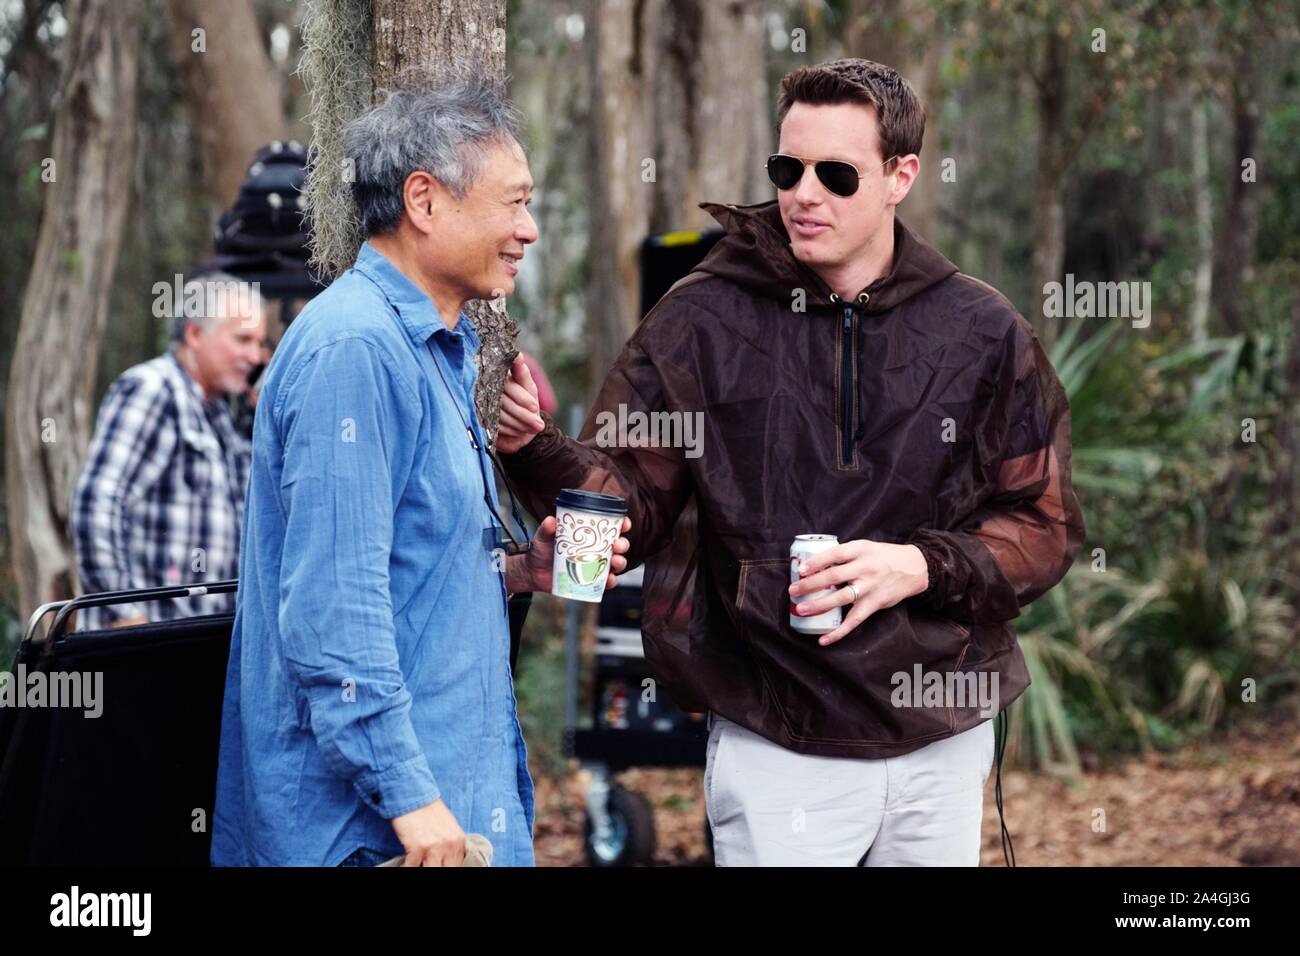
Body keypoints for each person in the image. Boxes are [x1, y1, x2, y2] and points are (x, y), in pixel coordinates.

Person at [497, 58, 1085, 866]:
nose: (805, 194)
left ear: (900, 177)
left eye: (837, 174)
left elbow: (1043, 525)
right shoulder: (705, 316)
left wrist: (917, 566)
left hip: (940, 736)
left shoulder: (979, 329)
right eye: (789, 169)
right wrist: (533, 448)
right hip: (776, 739)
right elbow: (629, 497)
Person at [210, 73, 630, 867]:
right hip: (372, 839)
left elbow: (404, 562)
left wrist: (516, 573)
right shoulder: (356, 353)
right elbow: (333, 616)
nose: (530, 229)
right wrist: (412, 800)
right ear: (425, 201)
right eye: (514, 203)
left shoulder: (440, 350)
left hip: (452, 813)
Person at [71, 271, 266, 630]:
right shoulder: (153, 389)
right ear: (194, 334)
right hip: (143, 646)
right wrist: (125, 612)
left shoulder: (221, 413)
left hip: (195, 642)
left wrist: (266, 412)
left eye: (260, 343)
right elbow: (97, 503)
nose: (255, 356)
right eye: (243, 339)